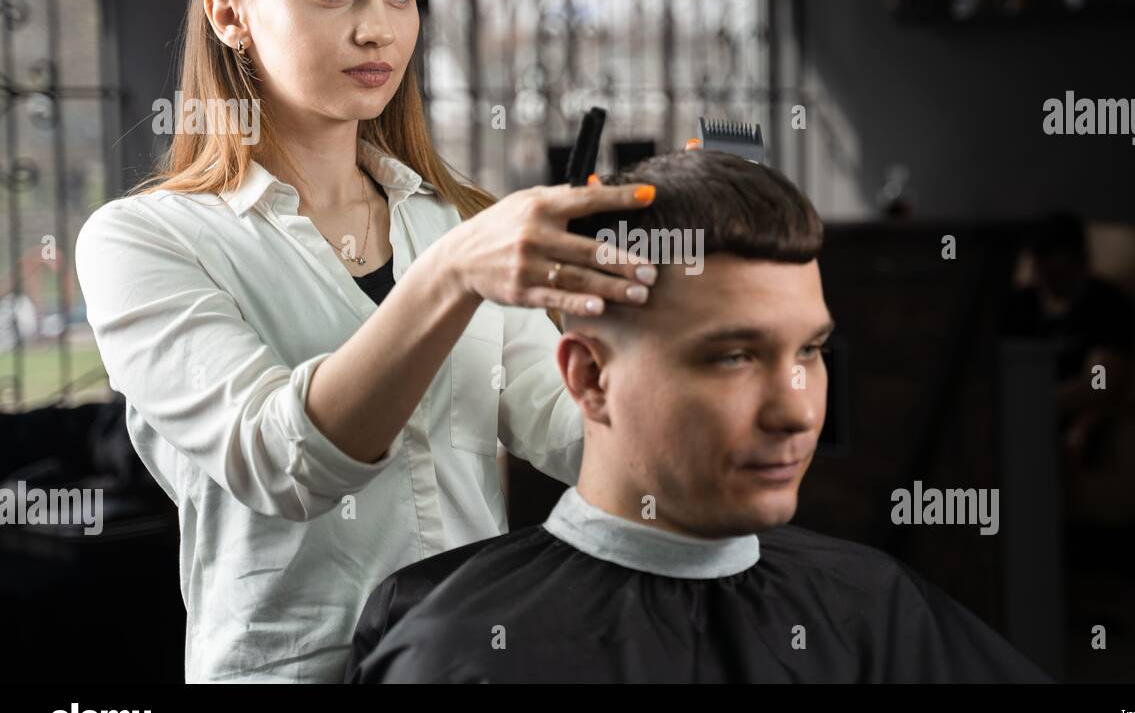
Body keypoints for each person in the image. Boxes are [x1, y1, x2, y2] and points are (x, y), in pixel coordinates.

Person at [73, 0, 661, 683]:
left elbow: (572, 436)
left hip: (465, 662)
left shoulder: (453, 221)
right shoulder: (143, 241)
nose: (377, 26)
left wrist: (662, 340)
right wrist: (452, 277)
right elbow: (284, 463)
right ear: (229, 14)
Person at [347, 151, 1052, 683]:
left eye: (811, 349)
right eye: (734, 357)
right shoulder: (462, 653)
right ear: (591, 377)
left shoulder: (878, 605)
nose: (796, 409)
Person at [1001, 211, 1135, 474]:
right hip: (1010, 417)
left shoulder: (1108, 306)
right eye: (1038, 265)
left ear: (1082, 261)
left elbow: (1101, 384)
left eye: (1055, 269)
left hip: (1066, 421)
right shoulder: (1019, 305)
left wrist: (1035, 405)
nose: (1044, 278)